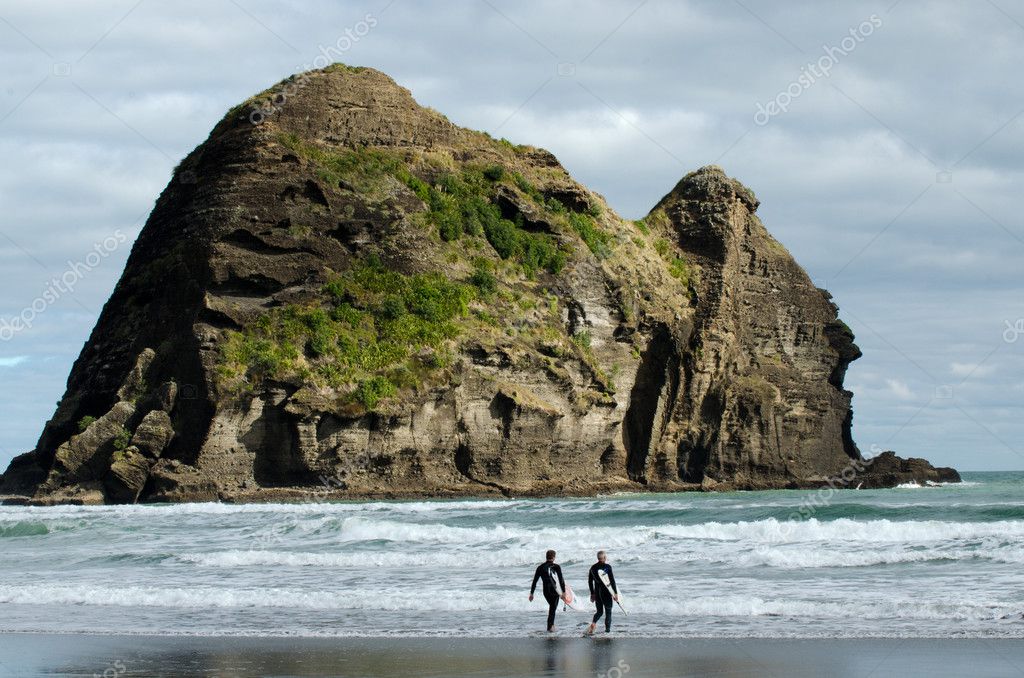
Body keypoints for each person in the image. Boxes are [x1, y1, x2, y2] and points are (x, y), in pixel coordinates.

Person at [529, 549, 566, 632]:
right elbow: (561, 580)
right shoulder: (556, 566)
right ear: (553, 557)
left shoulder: (540, 567)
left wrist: (532, 593)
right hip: (554, 590)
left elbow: (535, 581)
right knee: (553, 608)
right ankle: (550, 628)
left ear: (546, 557)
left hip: (546, 591)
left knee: (552, 607)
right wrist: (563, 592)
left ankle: (550, 626)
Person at [586, 550, 618, 635]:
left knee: (599, 612)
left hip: (597, 592)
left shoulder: (592, 568)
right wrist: (615, 593)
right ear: (604, 558)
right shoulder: (607, 567)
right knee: (608, 611)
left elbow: (589, 581)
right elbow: (612, 581)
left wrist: (592, 593)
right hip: (606, 592)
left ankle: (593, 623)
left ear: (598, 558)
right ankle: (607, 631)